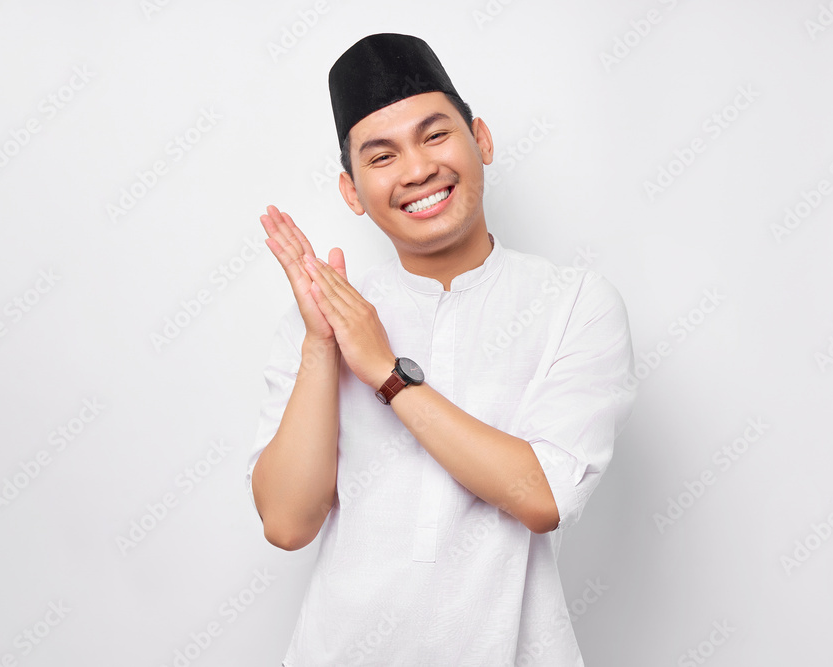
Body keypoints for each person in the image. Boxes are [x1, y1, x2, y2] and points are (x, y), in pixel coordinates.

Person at [246, 32, 637, 666]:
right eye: (382, 156)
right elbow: (288, 524)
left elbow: (542, 496)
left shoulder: (574, 304)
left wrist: (386, 372)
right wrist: (322, 345)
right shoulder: (326, 317)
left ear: (481, 139)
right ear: (352, 193)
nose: (417, 170)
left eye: (434, 136)